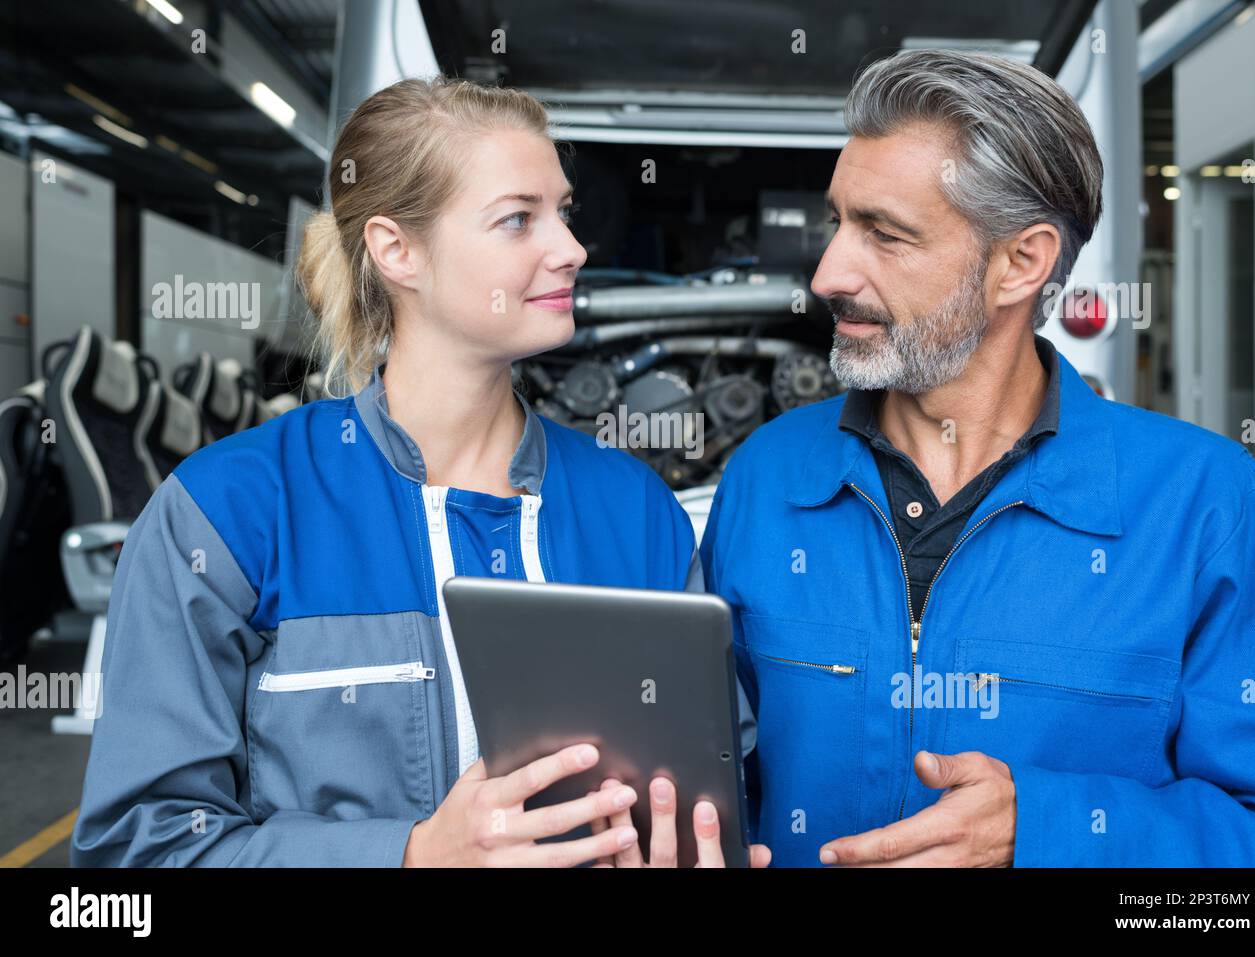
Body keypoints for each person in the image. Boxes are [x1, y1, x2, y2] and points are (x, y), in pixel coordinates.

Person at [71, 76, 756, 867]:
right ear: (397, 250)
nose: (571, 248)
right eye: (517, 219)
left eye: (563, 212)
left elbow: (719, 777)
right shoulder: (228, 511)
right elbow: (138, 849)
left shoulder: (634, 508)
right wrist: (410, 854)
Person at [701, 49, 1255, 867]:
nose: (829, 272)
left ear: (1022, 262)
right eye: (839, 222)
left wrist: (1048, 831)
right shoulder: (766, 476)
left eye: (885, 233)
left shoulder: (1207, 504)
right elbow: (714, 782)